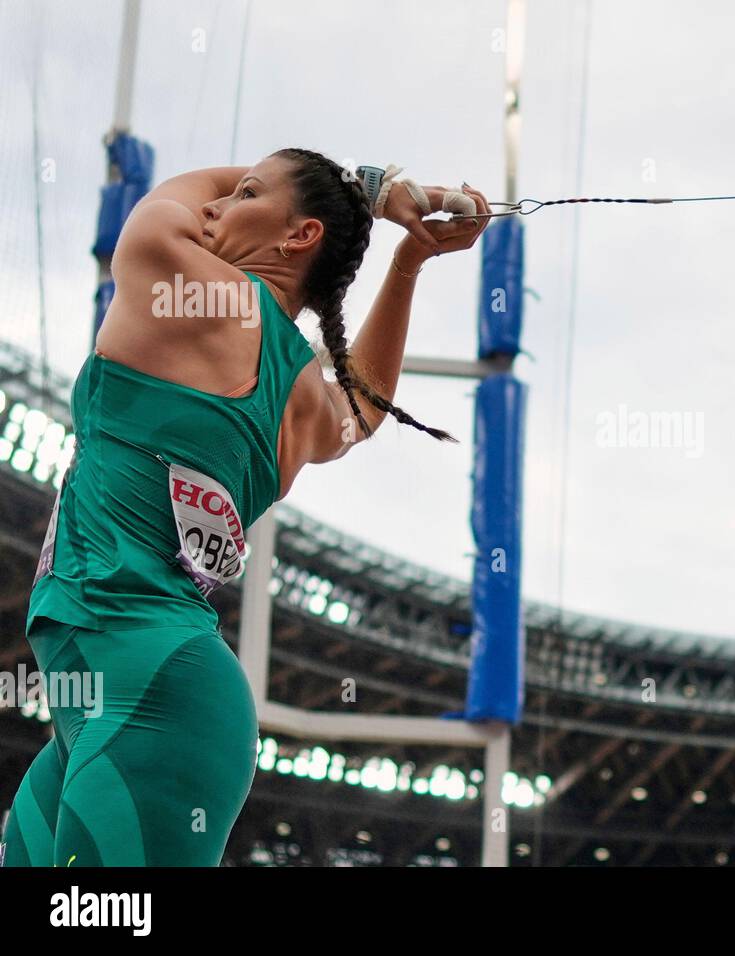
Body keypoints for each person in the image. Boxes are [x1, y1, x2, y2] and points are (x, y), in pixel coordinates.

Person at [0, 147, 489, 866]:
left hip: (151, 696)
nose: (215, 206)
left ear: (299, 237)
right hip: (115, 701)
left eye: (247, 193)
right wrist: (406, 263)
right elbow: (364, 409)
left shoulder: (198, 289)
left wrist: (369, 192)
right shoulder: (301, 391)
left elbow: (173, 199)